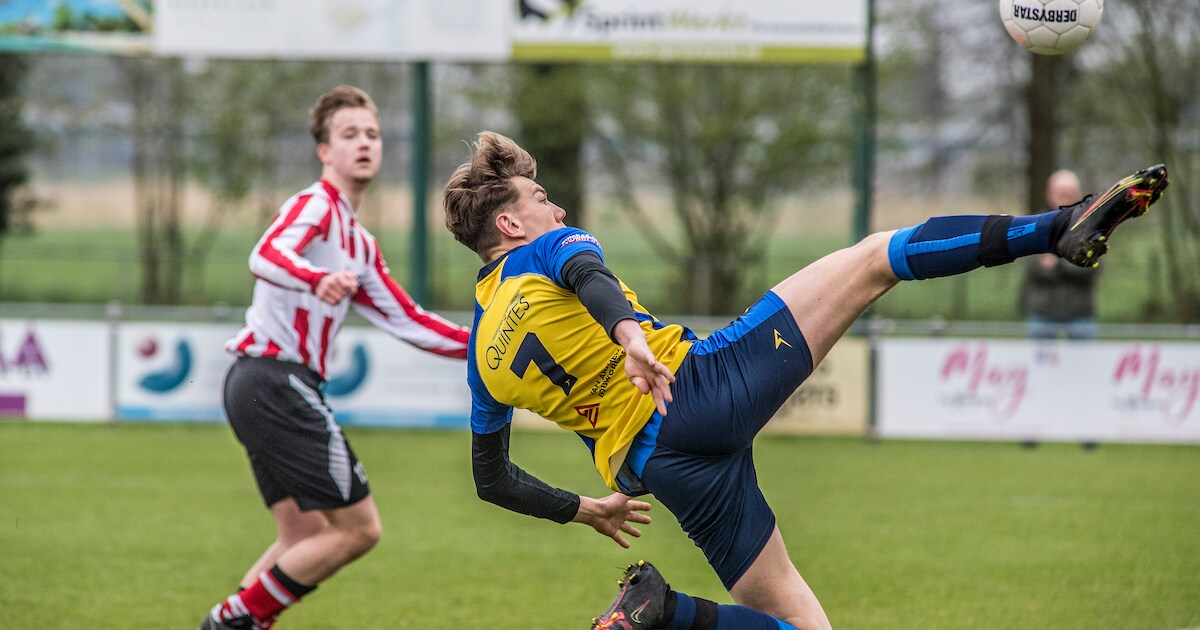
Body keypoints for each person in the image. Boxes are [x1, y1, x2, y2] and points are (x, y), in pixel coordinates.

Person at [441, 131, 1167, 630]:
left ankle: (665, 612)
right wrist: (630, 337)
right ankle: (1060, 226)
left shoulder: (480, 351)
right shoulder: (550, 249)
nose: (556, 208)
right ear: (510, 224)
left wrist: (584, 511)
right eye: (540, 199)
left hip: (659, 467)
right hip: (697, 390)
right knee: (876, 257)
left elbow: (490, 479)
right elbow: (588, 277)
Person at [200, 85, 470, 630]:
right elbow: (266, 253)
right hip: (275, 381)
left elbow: (409, 320)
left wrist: (491, 343)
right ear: (324, 150)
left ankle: (237, 623)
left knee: (302, 537)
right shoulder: (316, 205)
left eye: (372, 134)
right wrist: (316, 277)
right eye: (349, 135)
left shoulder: (360, 242)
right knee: (359, 530)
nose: (364, 143)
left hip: (260, 386)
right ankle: (230, 620)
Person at [1021, 169, 1102, 340]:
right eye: (1060, 192)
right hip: (1042, 312)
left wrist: (1057, 262)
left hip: (1080, 313)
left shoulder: (1092, 226)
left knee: (1085, 364)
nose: (1064, 196)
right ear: (1049, 194)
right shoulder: (1033, 224)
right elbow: (1030, 265)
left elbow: (1092, 267)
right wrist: (1073, 259)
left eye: (1069, 192)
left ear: (1078, 194)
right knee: (1039, 365)